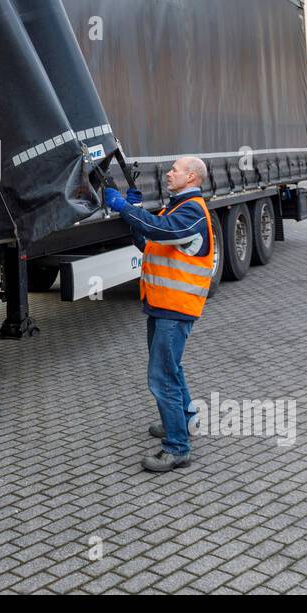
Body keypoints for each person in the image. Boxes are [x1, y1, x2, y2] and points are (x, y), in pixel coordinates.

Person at [101, 156, 217, 472]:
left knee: (161, 375)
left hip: (175, 309)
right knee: (171, 368)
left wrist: (126, 208)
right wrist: (131, 215)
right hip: (162, 304)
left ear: (191, 177)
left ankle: (177, 447)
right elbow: (150, 242)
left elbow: (159, 230)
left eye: (175, 170)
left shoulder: (192, 212)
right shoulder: (176, 209)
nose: (168, 174)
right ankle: (186, 420)